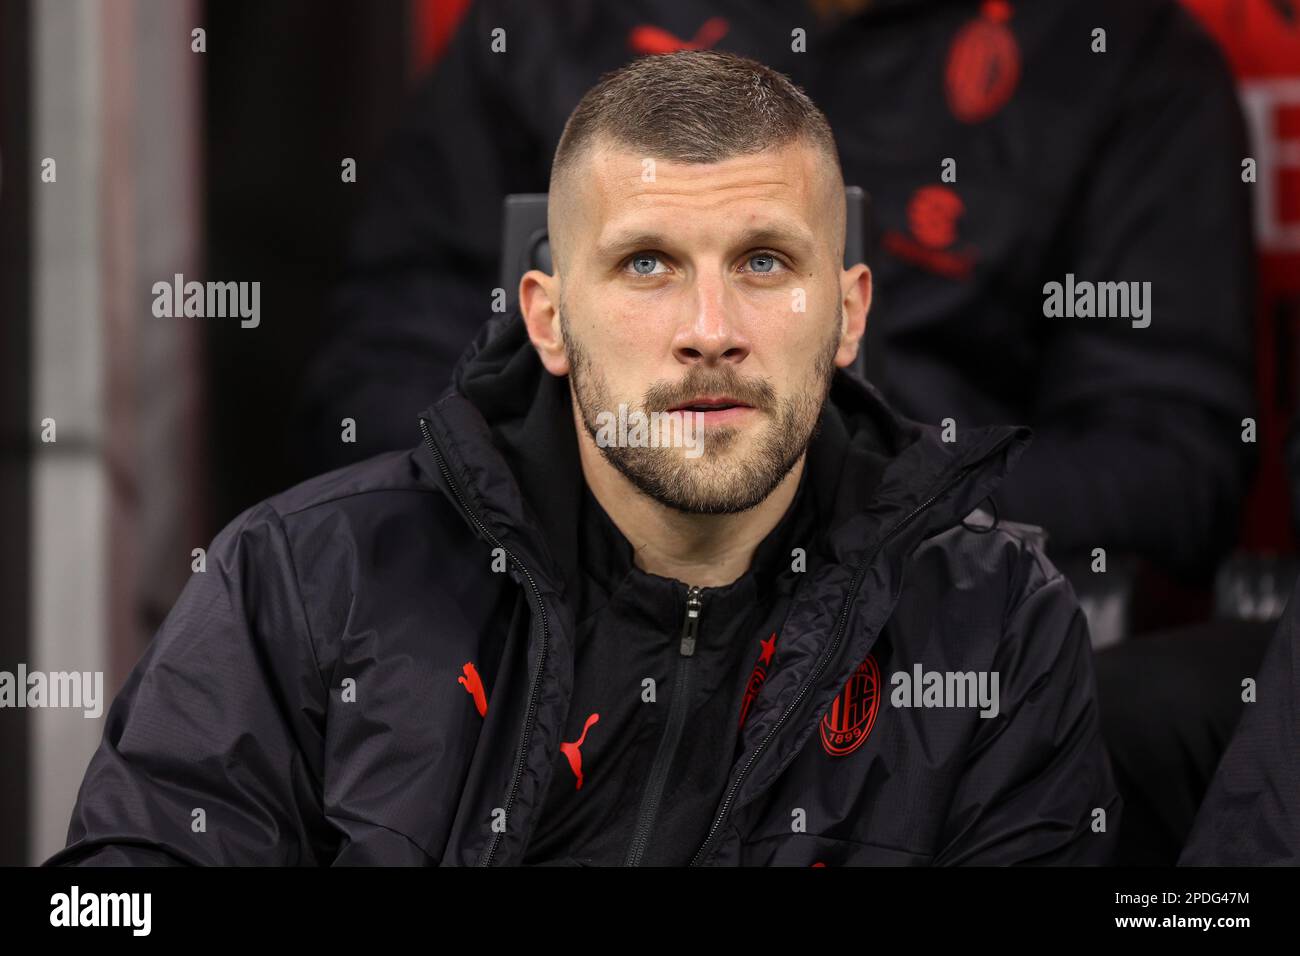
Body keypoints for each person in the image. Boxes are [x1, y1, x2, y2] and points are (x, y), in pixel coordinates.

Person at [48, 51, 1117, 866]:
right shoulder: (297, 580)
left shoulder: (997, 626)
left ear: (846, 313)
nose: (710, 326)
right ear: (548, 320)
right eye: (646, 262)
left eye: (762, 260)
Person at [292, 0, 1257, 600]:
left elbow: (1170, 472)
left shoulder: (1121, 60)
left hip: (916, 640)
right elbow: (376, 371)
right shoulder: (553, 18)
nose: (712, 325)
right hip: (550, 602)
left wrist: (843, 504)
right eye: (647, 265)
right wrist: (561, 496)